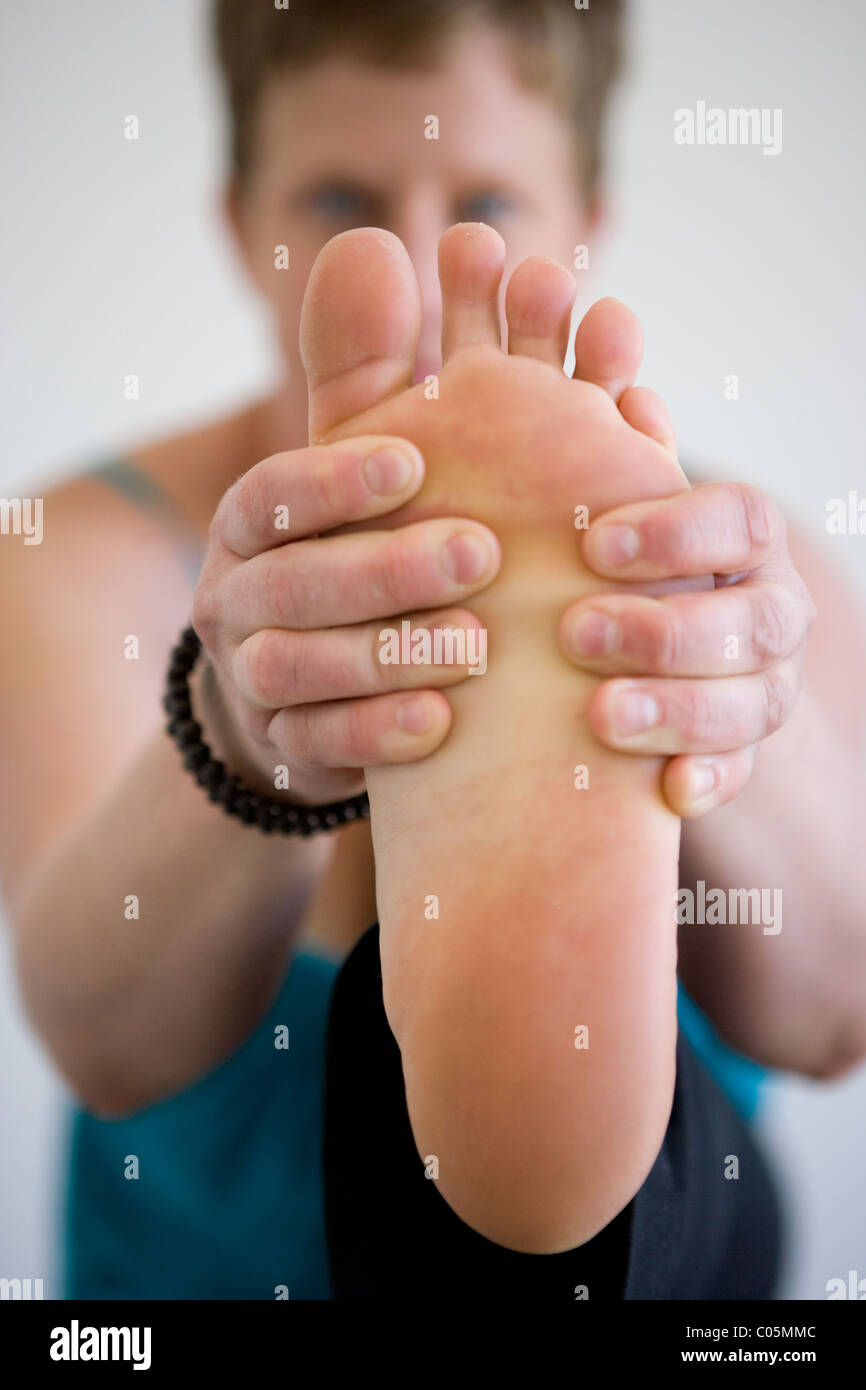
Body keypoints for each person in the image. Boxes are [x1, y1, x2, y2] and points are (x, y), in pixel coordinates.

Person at [0, 0, 863, 1300]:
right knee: (542, 1216)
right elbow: (107, 1041)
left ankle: (563, 1107)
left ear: (589, 221)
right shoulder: (77, 550)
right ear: (238, 224)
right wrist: (243, 731)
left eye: (487, 201)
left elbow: (834, 1013)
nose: (404, 260)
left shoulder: (743, 564)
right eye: (339, 199)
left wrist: (708, 686)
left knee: (579, 1194)